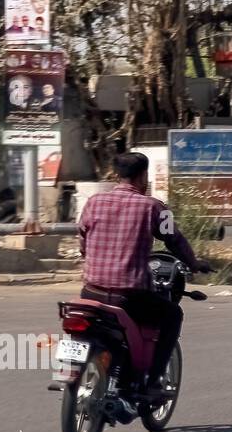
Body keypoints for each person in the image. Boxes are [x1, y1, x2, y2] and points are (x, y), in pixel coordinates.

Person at [77, 152, 210, 391]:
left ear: (118, 175)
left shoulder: (92, 202)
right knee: (172, 315)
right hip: (130, 297)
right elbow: (175, 240)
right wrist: (194, 264)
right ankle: (153, 380)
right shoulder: (155, 207)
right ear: (143, 176)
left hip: (91, 293)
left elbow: (83, 242)